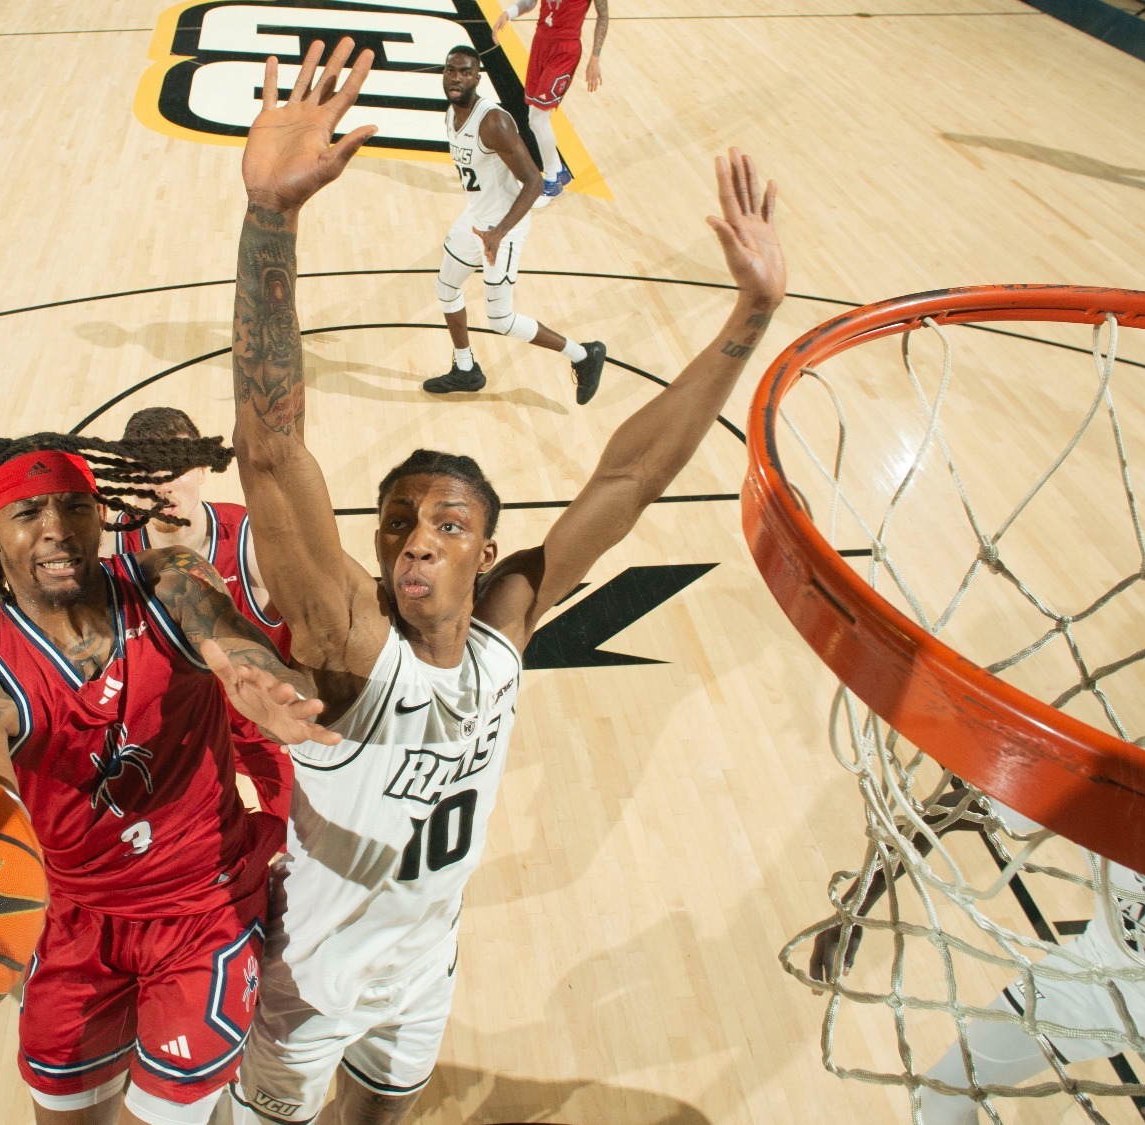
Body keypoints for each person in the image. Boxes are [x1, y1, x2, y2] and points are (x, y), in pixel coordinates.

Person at [224, 40, 785, 1125]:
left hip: (424, 965)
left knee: (383, 1116)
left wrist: (748, 320)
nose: (414, 542)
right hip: (309, 973)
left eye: (447, 524)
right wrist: (271, 221)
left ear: (489, 554)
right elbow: (271, 450)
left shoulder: (503, 628)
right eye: (395, 524)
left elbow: (626, 474)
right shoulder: (350, 640)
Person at [0, 431, 339, 1125]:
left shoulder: (169, 579)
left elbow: (231, 642)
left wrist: (262, 678)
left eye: (74, 508)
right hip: (73, 923)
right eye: (30, 514)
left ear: (101, 514)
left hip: (203, 902)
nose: (57, 532)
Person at [807, 682, 1145, 1124]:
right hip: (1095, 973)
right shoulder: (1109, 785)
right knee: (942, 1095)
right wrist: (854, 906)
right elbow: (946, 812)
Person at [111, 405, 293, 822]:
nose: (160, 488)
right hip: (172, 726)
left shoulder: (252, 540)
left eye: (174, 470)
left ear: (201, 468)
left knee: (313, 837)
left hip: (259, 720)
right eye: (144, 473)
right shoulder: (110, 549)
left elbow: (322, 627)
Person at [421, 44, 607, 402]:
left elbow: (535, 182)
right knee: (446, 288)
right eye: (450, 71)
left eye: (464, 72)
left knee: (501, 319)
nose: (456, 77)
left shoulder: (493, 121)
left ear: (478, 77)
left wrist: (499, 232)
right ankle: (465, 369)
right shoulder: (451, 113)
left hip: (504, 230)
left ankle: (584, 355)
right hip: (475, 221)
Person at [492, 0, 609, 200]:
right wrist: (508, 13)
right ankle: (559, 171)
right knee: (534, 116)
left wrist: (595, 58)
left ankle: (552, 181)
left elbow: (603, 16)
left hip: (565, 50)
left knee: (538, 118)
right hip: (541, 44)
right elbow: (530, 2)